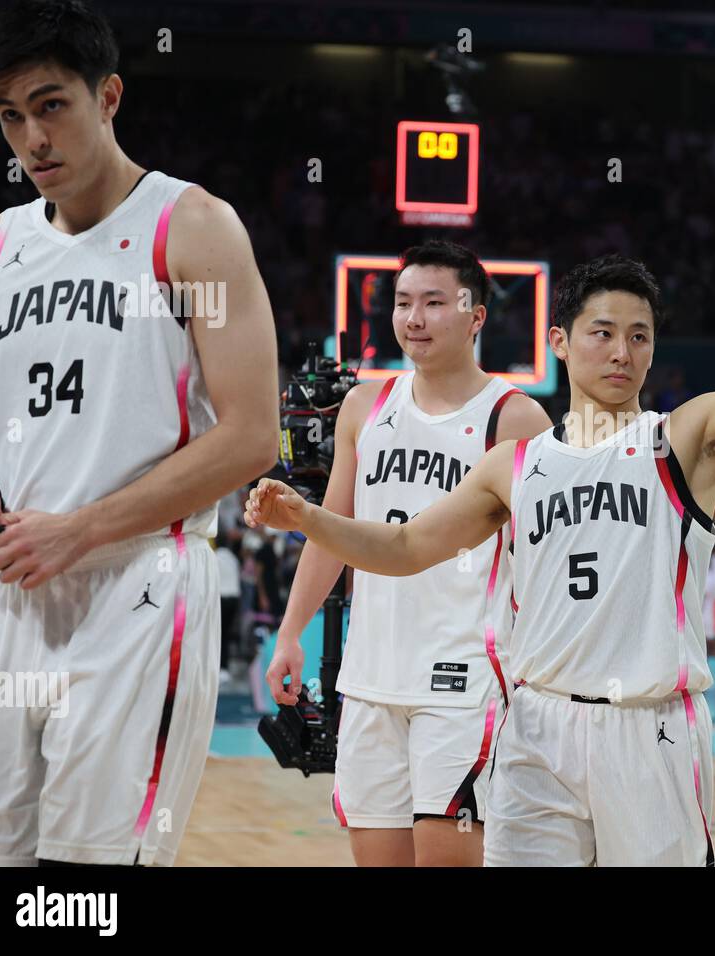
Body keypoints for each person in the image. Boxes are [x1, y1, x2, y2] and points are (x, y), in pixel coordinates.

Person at [246, 149, 715, 866]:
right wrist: (308, 519)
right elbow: (402, 550)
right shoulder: (515, 466)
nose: (622, 351)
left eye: (639, 336)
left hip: (646, 730)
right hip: (536, 728)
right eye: (603, 332)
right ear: (559, 342)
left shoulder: (681, 438)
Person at [0, 0, 279, 866]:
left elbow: (255, 435)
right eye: (10, 116)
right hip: (15, 583)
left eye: (51, 104)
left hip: (137, 586)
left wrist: (84, 526)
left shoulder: (193, 227)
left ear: (108, 96)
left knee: (88, 882)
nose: (32, 138)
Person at [268, 240, 551, 866]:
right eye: (402, 303)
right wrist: (291, 632)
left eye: (433, 303)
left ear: (476, 315)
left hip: (464, 681)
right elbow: (332, 530)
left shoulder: (516, 419)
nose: (413, 319)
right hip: (371, 677)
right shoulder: (365, 407)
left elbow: (544, 566)